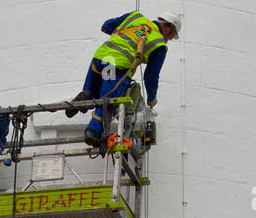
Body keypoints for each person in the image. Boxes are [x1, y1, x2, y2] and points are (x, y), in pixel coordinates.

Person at [67, 12, 182, 148]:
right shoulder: (159, 44)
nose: (168, 40)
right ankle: (93, 132)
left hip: (101, 58)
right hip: (115, 68)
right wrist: (151, 99)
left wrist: (125, 38)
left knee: (94, 92)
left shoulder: (135, 17)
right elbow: (151, 76)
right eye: (171, 37)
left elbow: (106, 26)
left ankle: (86, 94)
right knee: (108, 102)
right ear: (169, 28)